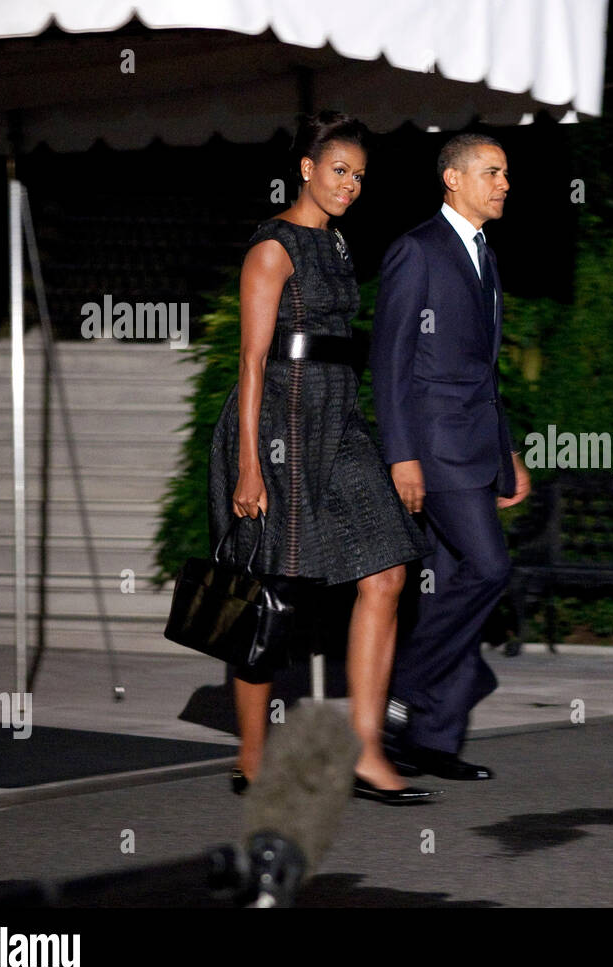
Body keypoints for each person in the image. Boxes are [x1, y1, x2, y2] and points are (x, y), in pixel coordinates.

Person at [208, 111, 437, 804]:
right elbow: (251, 360)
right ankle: (252, 755)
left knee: (390, 566)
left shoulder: (337, 246)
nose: (350, 185)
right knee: (266, 592)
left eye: (360, 176)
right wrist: (250, 462)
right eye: (340, 170)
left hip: (339, 425)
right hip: (276, 427)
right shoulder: (271, 249)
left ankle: (365, 748)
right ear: (306, 168)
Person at [369, 133, 530, 781]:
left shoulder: (483, 256)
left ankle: (431, 741)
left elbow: (484, 373)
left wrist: (508, 453)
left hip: (476, 447)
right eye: (492, 172)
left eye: (506, 173)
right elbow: (391, 361)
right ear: (453, 180)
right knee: (490, 568)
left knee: (449, 590)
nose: (504, 183)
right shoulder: (418, 250)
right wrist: (402, 454)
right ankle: (404, 681)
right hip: (435, 452)